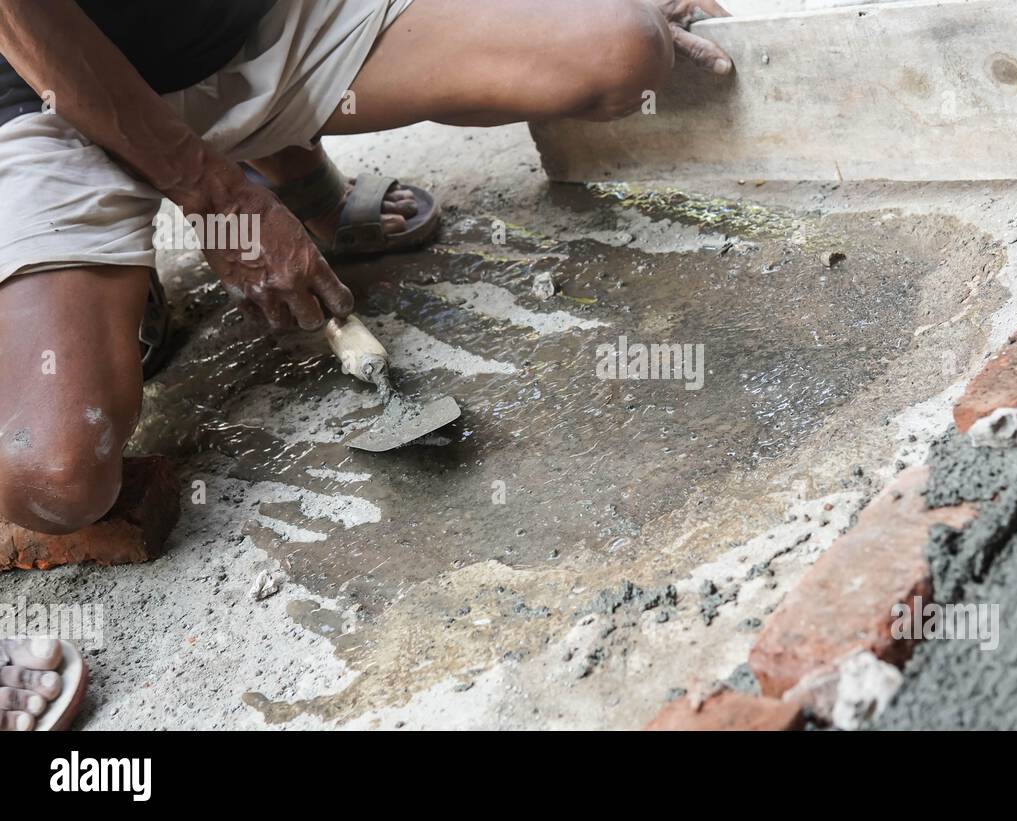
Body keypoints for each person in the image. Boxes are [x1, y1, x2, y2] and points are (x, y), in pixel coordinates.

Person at [0, 0, 732, 730]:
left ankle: (287, 164)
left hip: (246, 26)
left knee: (620, 51)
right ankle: (116, 257)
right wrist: (215, 195)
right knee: (56, 479)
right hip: (54, 94)